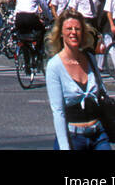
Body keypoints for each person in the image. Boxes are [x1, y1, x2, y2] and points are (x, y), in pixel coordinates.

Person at [45, 9, 110, 151]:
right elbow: (58, 112)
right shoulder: (54, 66)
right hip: (73, 138)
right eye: (69, 28)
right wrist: (64, 147)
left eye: (77, 29)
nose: (73, 32)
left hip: (98, 135)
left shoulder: (90, 59)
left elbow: (104, 96)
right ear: (61, 33)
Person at [14, 0, 50, 64]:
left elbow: (18, 5)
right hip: (30, 17)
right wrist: (50, 17)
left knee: (23, 39)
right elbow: (43, 5)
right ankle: (38, 53)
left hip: (19, 17)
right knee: (42, 31)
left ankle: (27, 64)